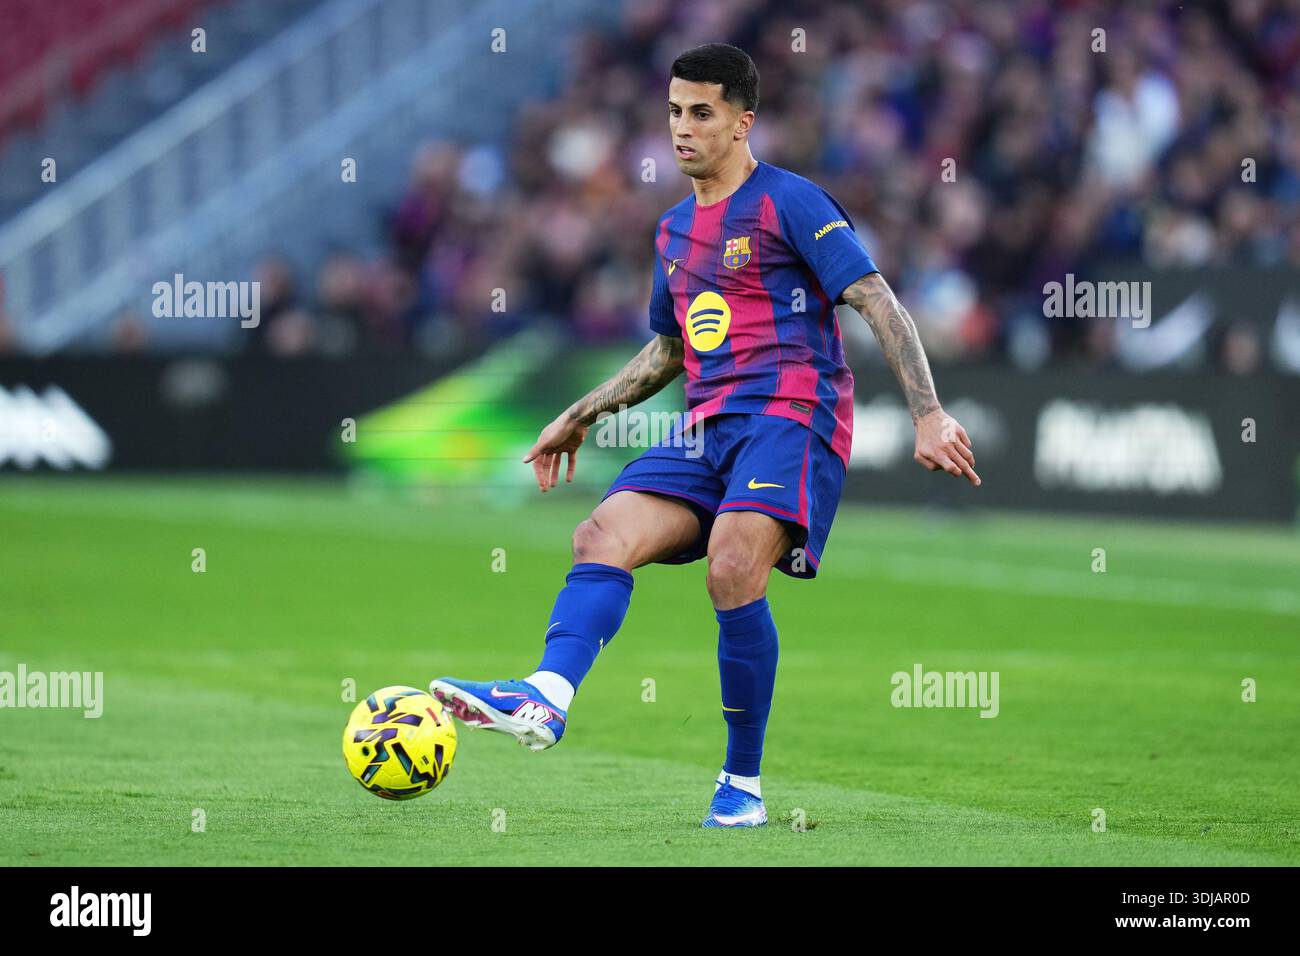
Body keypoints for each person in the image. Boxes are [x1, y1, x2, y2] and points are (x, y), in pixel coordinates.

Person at [431, 43, 979, 828]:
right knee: (601, 532)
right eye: (673, 113)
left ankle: (743, 787)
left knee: (731, 565)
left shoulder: (793, 202)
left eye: (701, 113)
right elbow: (670, 349)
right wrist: (579, 415)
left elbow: (877, 301)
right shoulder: (674, 231)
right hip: (709, 428)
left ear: (742, 122)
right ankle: (545, 698)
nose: (680, 130)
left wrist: (928, 411)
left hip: (794, 416)